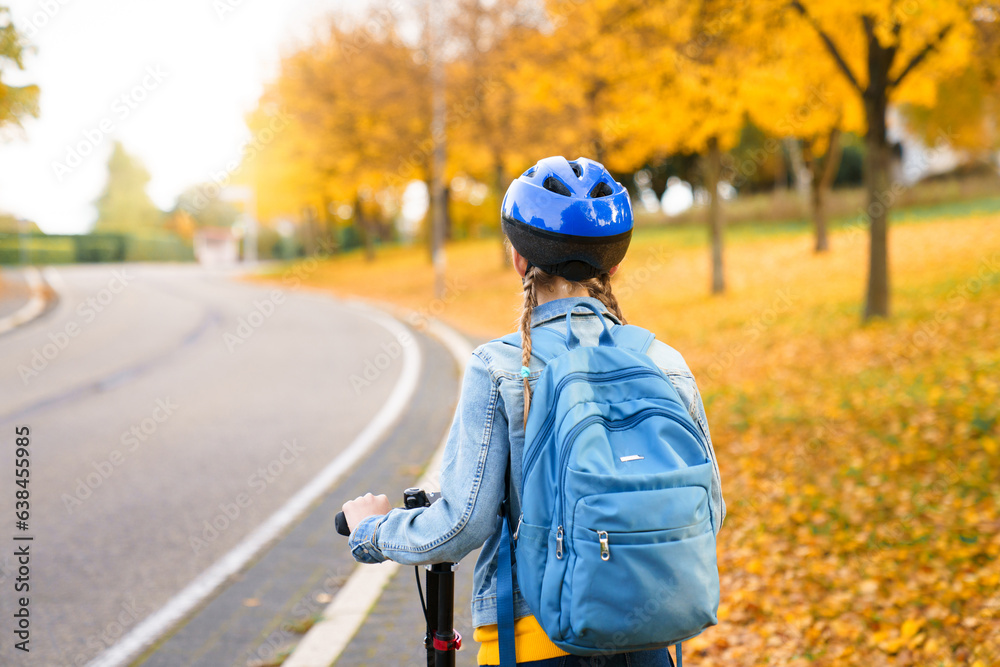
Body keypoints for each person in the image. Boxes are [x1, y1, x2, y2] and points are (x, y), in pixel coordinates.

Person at [343, 156, 725, 667]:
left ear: (519, 260)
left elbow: (463, 524)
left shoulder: (501, 366)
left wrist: (372, 531)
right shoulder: (663, 360)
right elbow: (711, 508)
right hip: (652, 635)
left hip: (535, 637)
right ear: (612, 267)